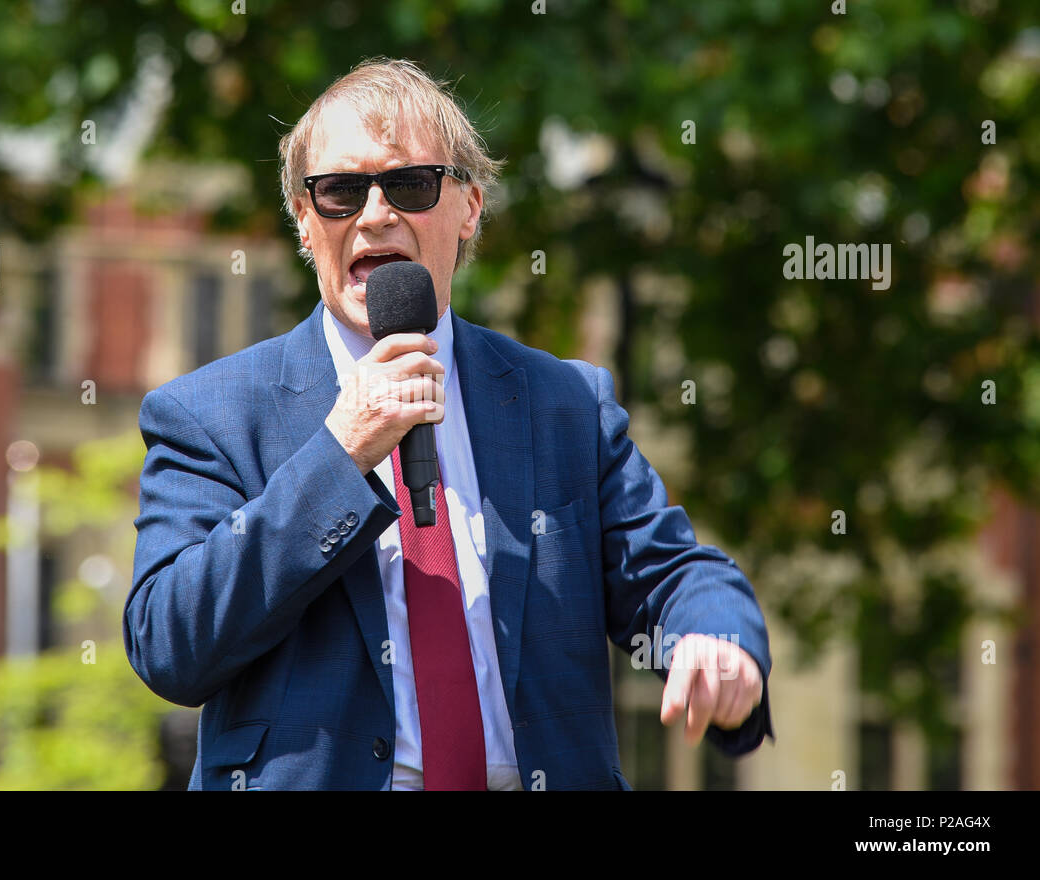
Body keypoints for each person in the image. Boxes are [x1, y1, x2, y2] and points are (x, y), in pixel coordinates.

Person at [124, 57, 773, 790]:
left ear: (469, 207)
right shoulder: (210, 414)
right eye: (339, 191)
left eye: (409, 185)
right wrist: (340, 456)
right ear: (305, 222)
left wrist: (717, 637)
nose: (375, 215)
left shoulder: (563, 404)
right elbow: (170, 643)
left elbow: (672, 572)